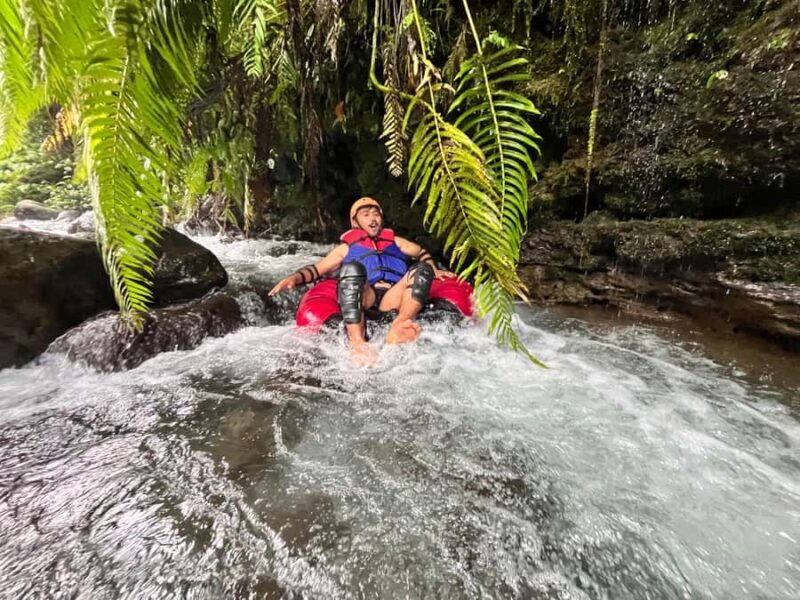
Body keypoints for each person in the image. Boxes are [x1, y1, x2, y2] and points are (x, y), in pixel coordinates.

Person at [269, 197, 455, 363]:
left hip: (394, 295)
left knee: (421, 270)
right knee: (352, 270)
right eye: (366, 214)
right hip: (368, 295)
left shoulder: (396, 241)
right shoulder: (346, 247)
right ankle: (358, 343)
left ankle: (400, 325)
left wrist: (434, 268)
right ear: (355, 221)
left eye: (376, 214)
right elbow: (318, 269)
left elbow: (421, 252)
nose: (373, 218)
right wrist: (294, 278)